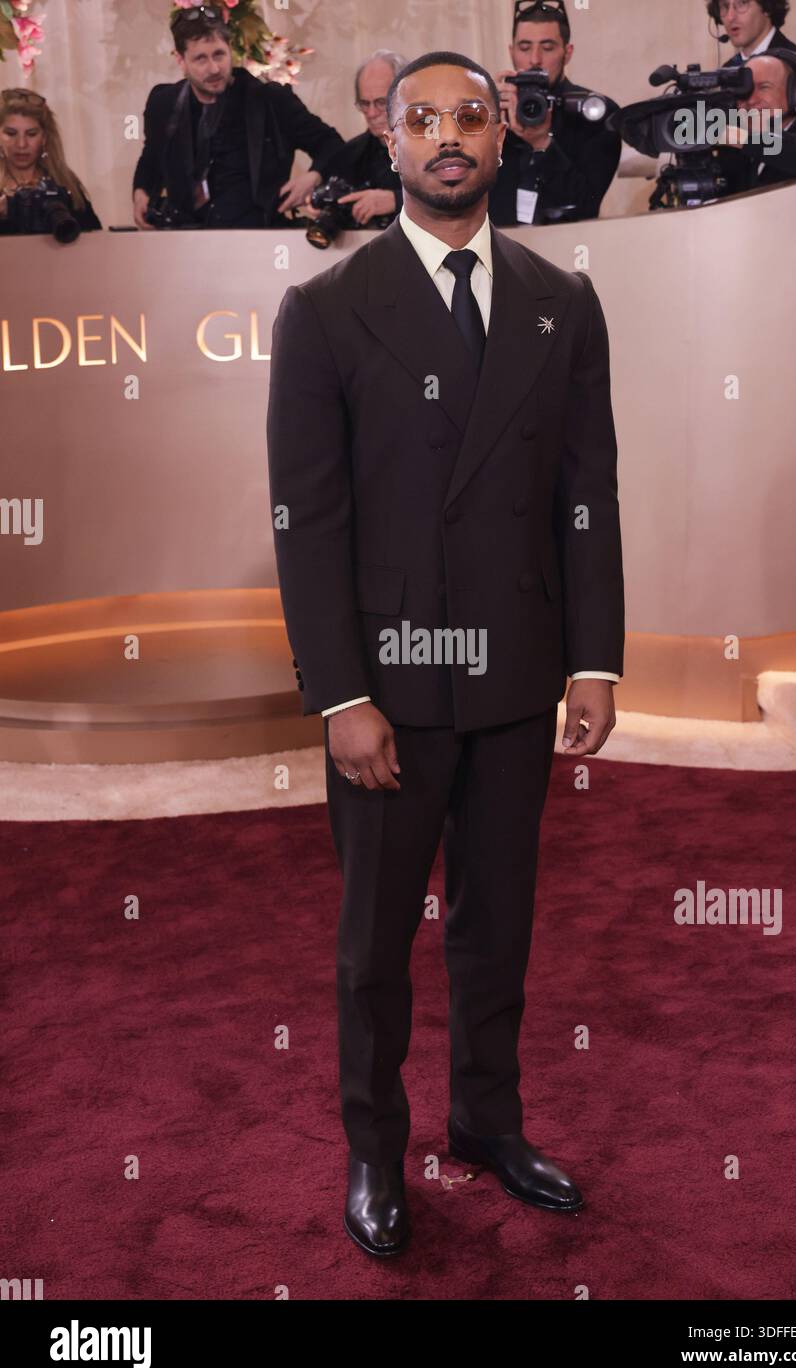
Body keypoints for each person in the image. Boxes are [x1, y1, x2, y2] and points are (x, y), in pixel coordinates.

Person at [267, 49, 624, 1257]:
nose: (448, 135)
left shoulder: (558, 300)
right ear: (390, 142)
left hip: (520, 675)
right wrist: (340, 693)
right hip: (392, 685)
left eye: (470, 114)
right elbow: (308, 521)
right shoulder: (324, 309)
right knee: (375, 941)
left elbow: (587, 492)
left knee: (498, 924)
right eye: (423, 119)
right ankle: (375, 1149)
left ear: (499, 130)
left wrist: (595, 659)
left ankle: (485, 1122)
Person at [132, 6, 344, 229]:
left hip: (258, 237)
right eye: (200, 59)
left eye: (219, 55)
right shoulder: (164, 103)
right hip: (186, 239)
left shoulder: (271, 99)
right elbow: (152, 157)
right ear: (180, 61)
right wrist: (141, 191)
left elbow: (332, 145)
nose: (214, 68)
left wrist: (313, 177)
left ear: (230, 49)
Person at [488, 0, 621, 226]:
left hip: (569, 248)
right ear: (511, 52)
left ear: (567, 53)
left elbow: (585, 207)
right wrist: (486, 115)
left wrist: (542, 143)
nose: (534, 59)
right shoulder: (495, 109)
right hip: (501, 248)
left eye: (547, 47)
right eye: (524, 47)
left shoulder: (595, 114)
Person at [307, 49, 406, 228]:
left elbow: (457, 199)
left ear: (405, 97)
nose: (371, 113)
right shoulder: (350, 155)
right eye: (364, 104)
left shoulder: (432, 144)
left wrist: (397, 200)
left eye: (381, 102)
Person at [716, 51, 796, 195]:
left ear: (794, 93)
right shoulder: (739, 155)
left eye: (763, 87)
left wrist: (727, 133)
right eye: (744, 91)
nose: (751, 100)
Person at [0, 87, 100, 233]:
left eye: (31, 134)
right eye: (11, 133)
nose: (21, 144)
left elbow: (94, 242)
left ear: (45, 138)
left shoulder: (64, 183)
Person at [707, 0, 796, 125]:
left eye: (742, 3)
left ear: (767, 7)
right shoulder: (728, 69)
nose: (730, 17)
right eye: (724, 6)